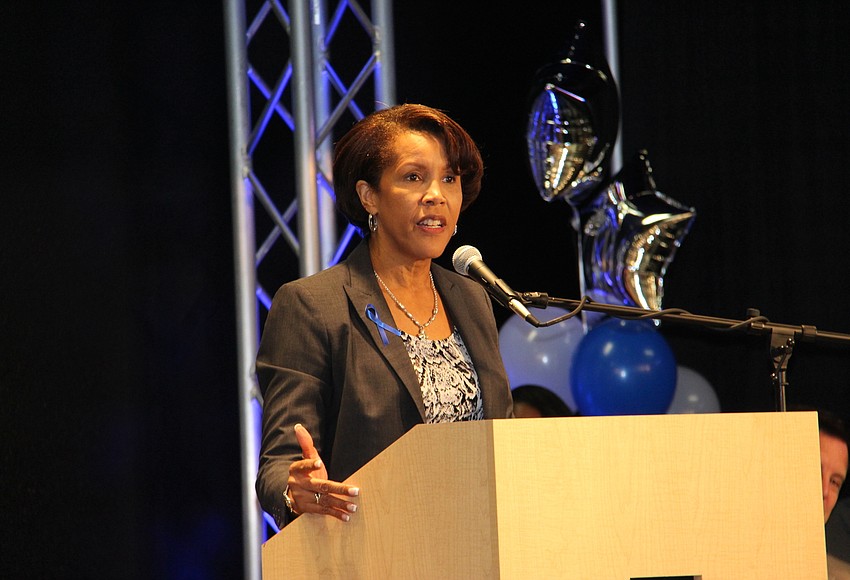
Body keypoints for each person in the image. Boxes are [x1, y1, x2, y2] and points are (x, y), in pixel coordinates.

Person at [255, 104, 513, 527]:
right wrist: (293, 488)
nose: (437, 194)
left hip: (477, 546)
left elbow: (502, 440)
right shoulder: (313, 304)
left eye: (450, 178)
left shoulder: (471, 298)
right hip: (371, 552)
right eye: (414, 177)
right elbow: (281, 461)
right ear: (369, 196)